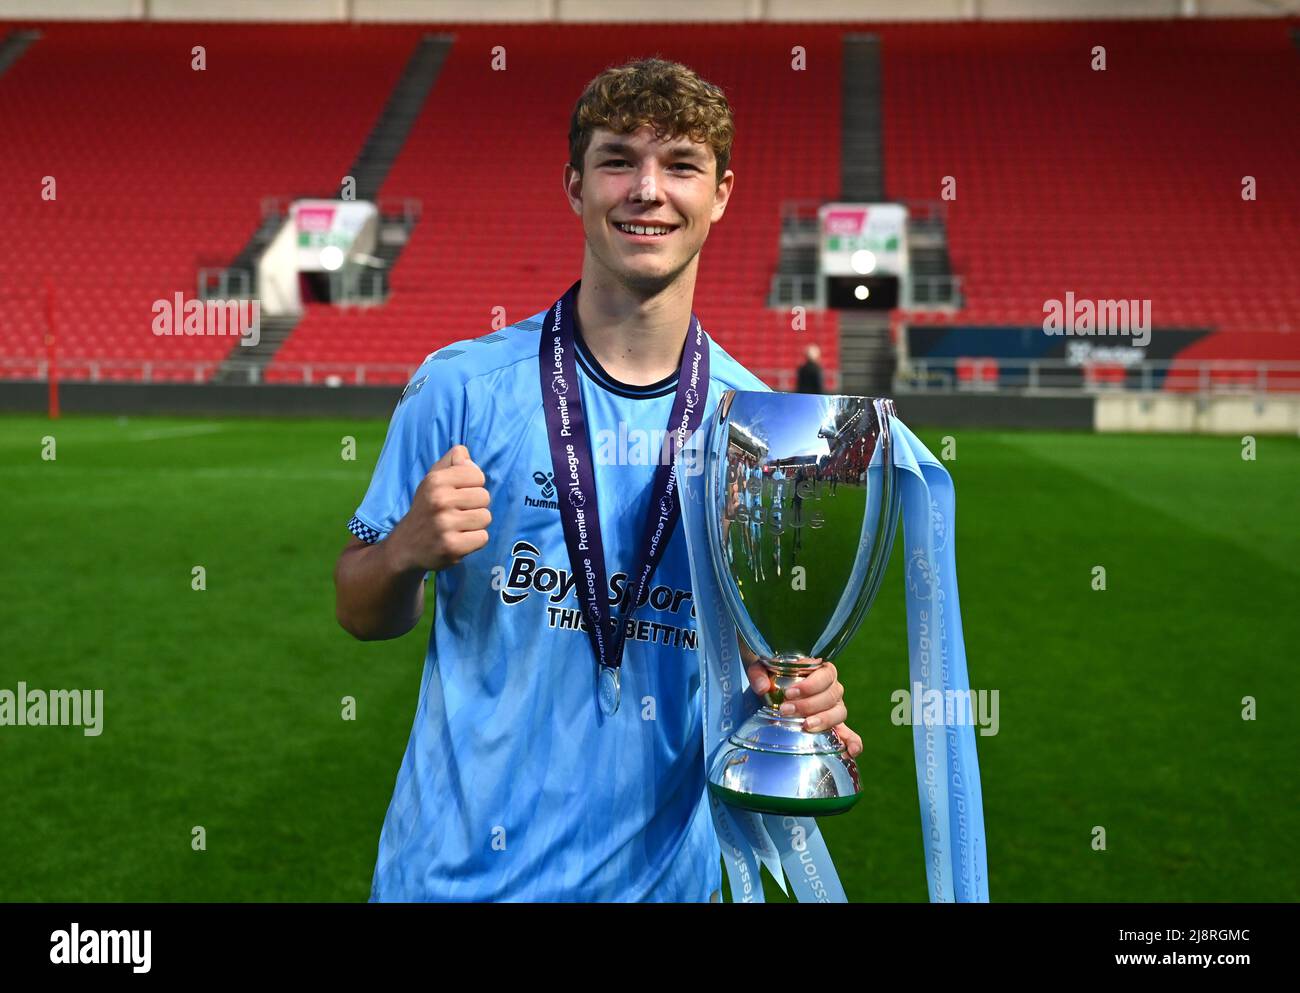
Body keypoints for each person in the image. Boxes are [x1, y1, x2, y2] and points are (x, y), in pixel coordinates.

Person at [334, 57, 860, 902]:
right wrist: (402, 552)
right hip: (455, 880)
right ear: (575, 184)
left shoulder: (757, 430)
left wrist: (798, 693)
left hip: (662, 887)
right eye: (619, 160)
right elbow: (360, 608)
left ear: (721, 194)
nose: (647, 189)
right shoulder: (459, 388)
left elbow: (752, 656)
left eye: (681, 165)